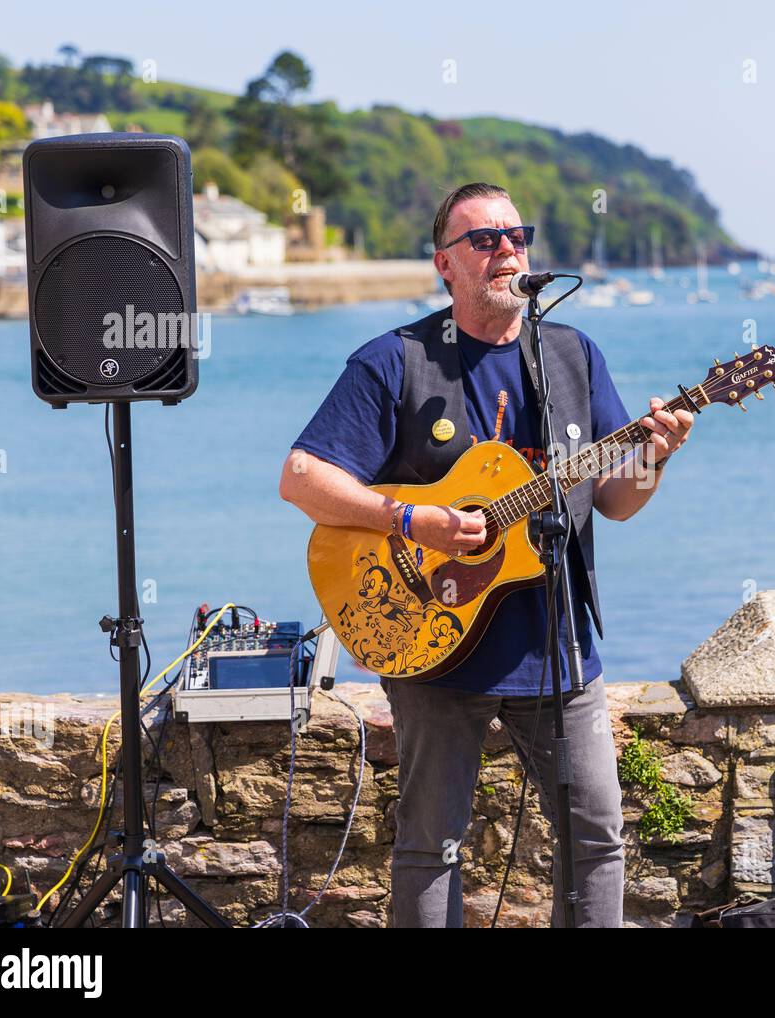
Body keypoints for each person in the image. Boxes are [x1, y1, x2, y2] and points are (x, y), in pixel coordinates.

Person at [278, 182, 694, 927]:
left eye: (516, 236)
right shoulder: (395, 362)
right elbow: (302, 478)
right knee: (432, 845)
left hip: (558, 647)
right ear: (446, 264)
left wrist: (654, 457)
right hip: (434, 646)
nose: (507, 249)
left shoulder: (571, 355)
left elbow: (613, 502)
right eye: (485, 240)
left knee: (597, 838)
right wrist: (411, 521)